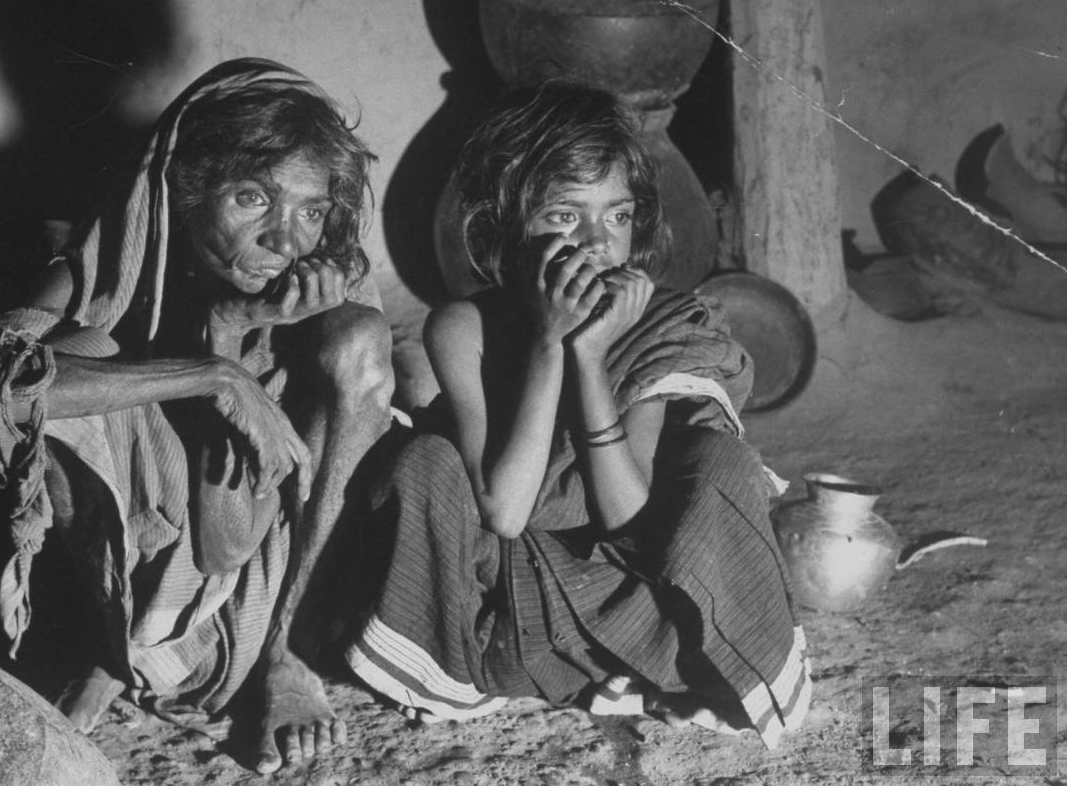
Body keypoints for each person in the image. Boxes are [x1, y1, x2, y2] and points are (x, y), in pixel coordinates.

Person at [0, 58, 393, 774]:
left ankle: (287, 657)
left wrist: (233, 334)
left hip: (266, 591)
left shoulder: (313, 282)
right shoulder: (110, 259)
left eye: (310, 210)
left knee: (361, 337)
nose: (285, 239)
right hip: (144, 592)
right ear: (185, 188)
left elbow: (226, 548)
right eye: (252, 198)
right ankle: (107, 644)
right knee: (72, 357)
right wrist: (215, 371)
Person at [345, 81, 810, 747]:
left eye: (617, 217)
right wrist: (547, 343)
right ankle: (466, 670)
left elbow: (627, 516)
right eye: (566, 217)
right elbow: (505, 514)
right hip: (508, 613)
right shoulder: (464, 326)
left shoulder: (659, 322)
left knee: (720, 462)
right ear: (506, 223)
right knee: (422, 461)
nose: (598, 243)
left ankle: (671, 667)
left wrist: (590, 356)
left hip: (638, 602)